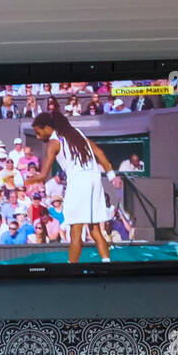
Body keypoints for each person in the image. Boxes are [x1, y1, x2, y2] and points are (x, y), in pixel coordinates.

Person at [29, 111, 116, 264]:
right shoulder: (78, 133)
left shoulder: (54, 143)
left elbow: (43, 176)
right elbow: (99, 152)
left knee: (76, 232)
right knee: (95, 229)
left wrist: (23, 183)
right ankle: (107, 263)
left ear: (47, 127)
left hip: (78, 182)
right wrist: (111, 175)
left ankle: (71, 267)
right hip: (95, 180)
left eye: (38, 132)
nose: (37, 136)